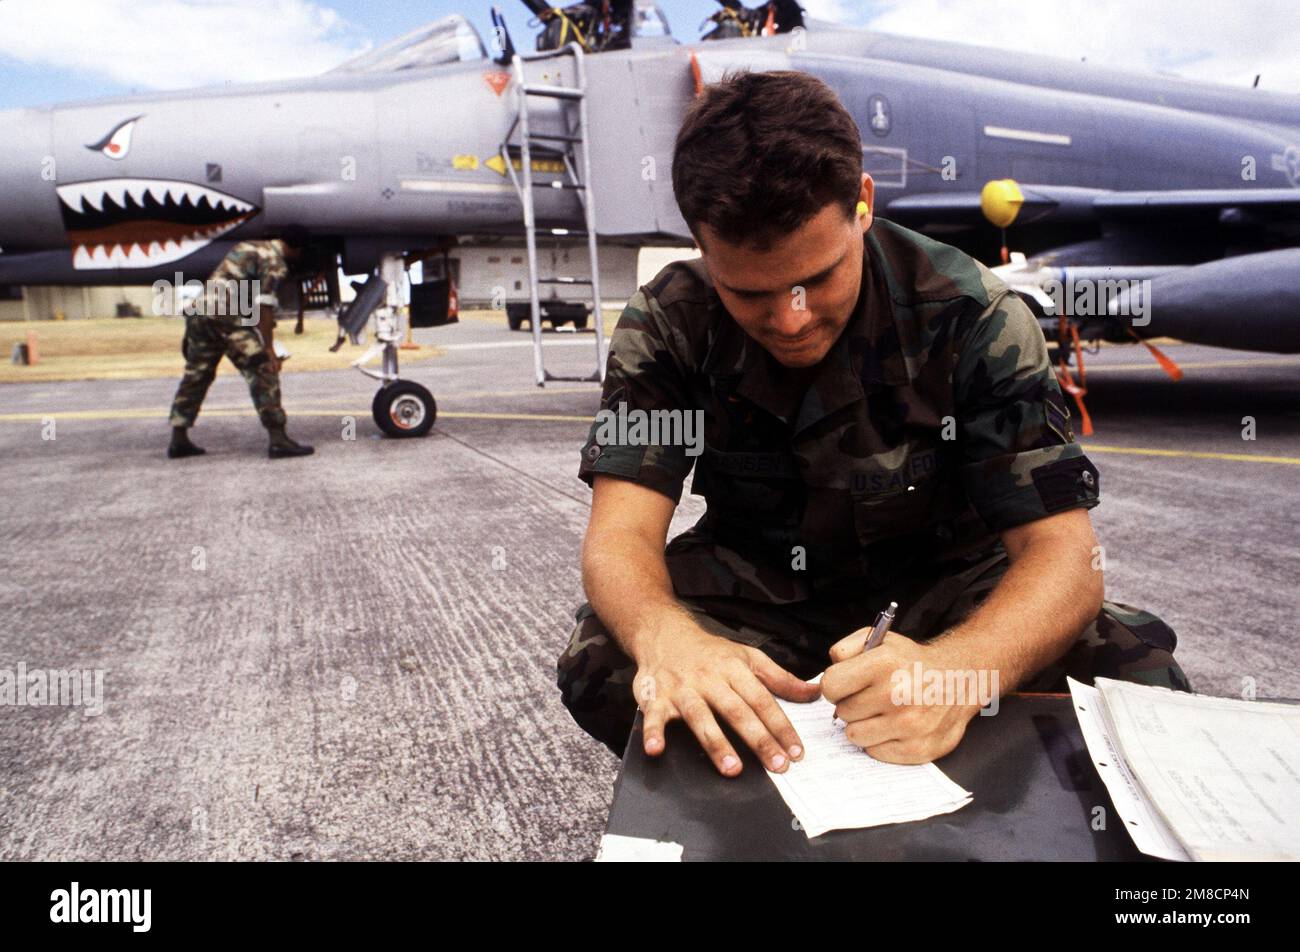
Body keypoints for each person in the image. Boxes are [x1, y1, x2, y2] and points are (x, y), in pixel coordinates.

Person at [556, 70, 1190, 777]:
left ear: (863, 203)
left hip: (949, 586)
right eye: (750, 293)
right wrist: (668, 639)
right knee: (608, 663)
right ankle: (750, 817)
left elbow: (1066, 559)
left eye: (819, 278)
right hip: (761, 590)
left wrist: (960, 675)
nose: (790, 319)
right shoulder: (672, 323)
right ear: (701, 244)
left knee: (1137, 677)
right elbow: (619, 537)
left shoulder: (973, 315)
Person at [167, 228, 314, 459]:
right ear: (297, 250)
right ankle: (278, 439)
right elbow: (264, 307)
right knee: (263, 369)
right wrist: (269, 349)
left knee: (197, 374)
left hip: (199, 312)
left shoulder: (249, 245)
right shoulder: (276, 262)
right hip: (227, 314)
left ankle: (179, 439)